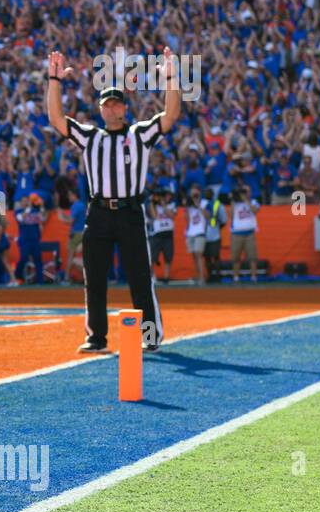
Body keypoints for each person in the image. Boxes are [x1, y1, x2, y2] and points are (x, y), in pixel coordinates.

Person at [46, 47, 180, 353]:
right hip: (99, 213)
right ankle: (96, 337)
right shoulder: (91, 137)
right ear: (101, 109)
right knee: (94, 277)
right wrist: (54, 80)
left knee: (139, 278)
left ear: (124, 108)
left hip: (130, 212)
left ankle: (150, 335)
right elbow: (56, 118)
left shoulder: (140, 134)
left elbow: (170, 116)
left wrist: (171, 77)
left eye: (116, 104)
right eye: (106, 104)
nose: (111, 109)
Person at [230, 184, 260, 282]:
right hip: (236, 233)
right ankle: (236, 277)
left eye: (246, 191)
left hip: (249, 233)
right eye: (243, 191)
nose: (245, 193)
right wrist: (234, 199)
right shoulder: (235, 202)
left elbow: (255, 211)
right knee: (235, 257)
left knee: (252, 257)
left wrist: (246, 201)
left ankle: (254, 277)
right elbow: (231, 214)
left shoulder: (254, 202)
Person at [147, 190, 176, 282]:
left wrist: (163, 205)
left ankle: (166, 277)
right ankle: (152, 276)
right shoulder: (154, 206)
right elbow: (154, 216)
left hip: (168, 234)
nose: (166, 198)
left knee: (168, 256)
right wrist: (152, 202)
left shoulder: (172, 205)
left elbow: (171, 215)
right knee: (153, 257)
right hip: (157, 234)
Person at [184, 186, 207, 285]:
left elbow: (208, 216)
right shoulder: (189, 205)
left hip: (200, 231)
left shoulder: (204, 203)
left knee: (198, 255)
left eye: (195, 194)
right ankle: (198, 276)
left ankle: (202, 277)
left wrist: (198, 205)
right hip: (190, 232)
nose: (193, 196)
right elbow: (187, 220)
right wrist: (186, 207)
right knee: (194, 256)